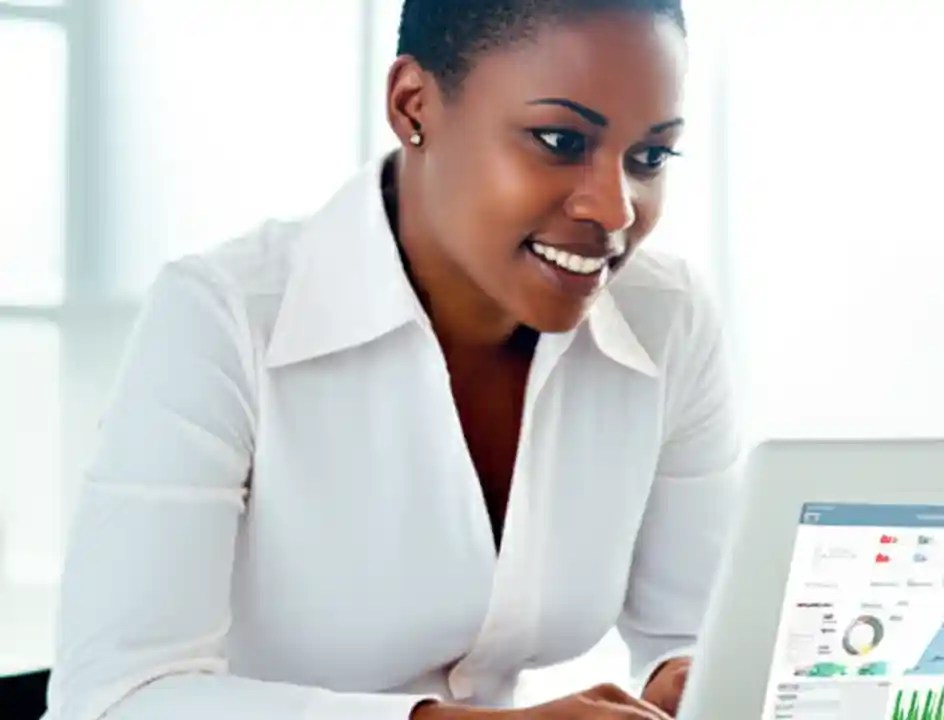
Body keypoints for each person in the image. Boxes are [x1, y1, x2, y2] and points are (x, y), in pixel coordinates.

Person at [42, 1, 741, 719]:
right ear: (414, 105)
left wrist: (698, 678)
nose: (616, 211)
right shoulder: (225, 317)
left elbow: (695, 628)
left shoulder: (667, 317)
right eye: (560, 141)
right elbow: (114, 699)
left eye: (650, 157)